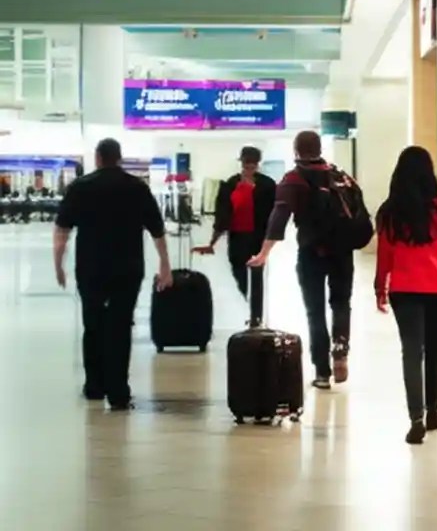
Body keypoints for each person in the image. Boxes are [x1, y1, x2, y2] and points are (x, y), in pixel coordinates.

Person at [54, 138, 173, 410]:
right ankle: (118, 392)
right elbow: (157, 231)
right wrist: (165, 266)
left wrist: (58, 264)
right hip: (127, 268)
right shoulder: (137, 188)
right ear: (119, 158)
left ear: (97, 158)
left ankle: (94, 386)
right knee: (120, 326)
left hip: (90, 268)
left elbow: (62, 231)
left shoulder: (80, 187)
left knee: (93, 324)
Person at [249, 130, 369, 389]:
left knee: (315, 311)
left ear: (296, 151)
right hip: (342, 251)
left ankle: (322, 372)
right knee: (341, 303)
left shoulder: (294, 179)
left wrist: (263, 253)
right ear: (318, 148)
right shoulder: (340, 175)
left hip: (312, 253)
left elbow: (279, 217)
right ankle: (340, 348)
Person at [374, 146, 437, 444]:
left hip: (406, 289)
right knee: (435, 348)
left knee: (412, 352)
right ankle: (434, 411)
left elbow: (384, 255)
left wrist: (379, 287)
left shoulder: (389, 212)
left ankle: (416, 419)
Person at [194, 146, 276, 326]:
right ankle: (249, 303)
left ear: (257, 163)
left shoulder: (267, 185)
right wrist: (212, 242)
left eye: (252, 163)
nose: (249, 166)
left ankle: (256, 315)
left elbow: (274, 213)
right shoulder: (231, 184)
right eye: (246, 163)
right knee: (238, 273)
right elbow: (222, 214)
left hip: (258, 237)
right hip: (238, 236)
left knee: (257, 276)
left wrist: (271, 240)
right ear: (242, 162)